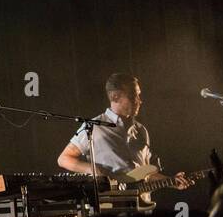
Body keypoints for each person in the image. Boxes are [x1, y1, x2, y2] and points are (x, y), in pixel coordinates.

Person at [56, 73, 191, 192]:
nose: (139, 101)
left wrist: (171, 181)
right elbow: (64, 159)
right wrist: (93, 170)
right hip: (112, 204)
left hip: (141, 207)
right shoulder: (94, 126)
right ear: (115, 97)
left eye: (139, 95)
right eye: (133, 96)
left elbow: (146, 173)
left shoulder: (141, 130)